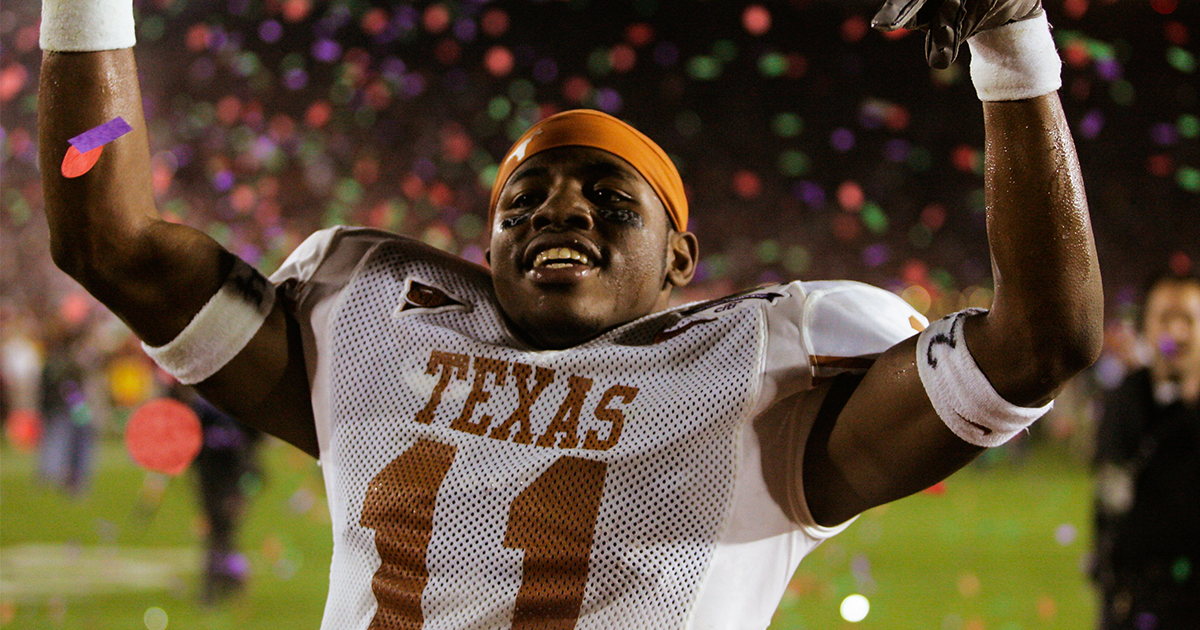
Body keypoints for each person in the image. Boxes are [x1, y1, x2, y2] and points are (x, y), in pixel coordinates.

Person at [37, 0, 1103, 626]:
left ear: (681, 258)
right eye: (527, 200)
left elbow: (1039, 344)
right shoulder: (374, 327)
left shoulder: (766, 379)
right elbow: (108, 237)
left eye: (607, 200)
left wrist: (1012, 45)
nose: (562, 214)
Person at [1092, 273, 1199, 630]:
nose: (1177, 333)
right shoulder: (1124, 400)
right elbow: (1107, 499)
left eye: (1188, 319)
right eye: (1165, 318)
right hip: (1133, 601)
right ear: (1146, 327)